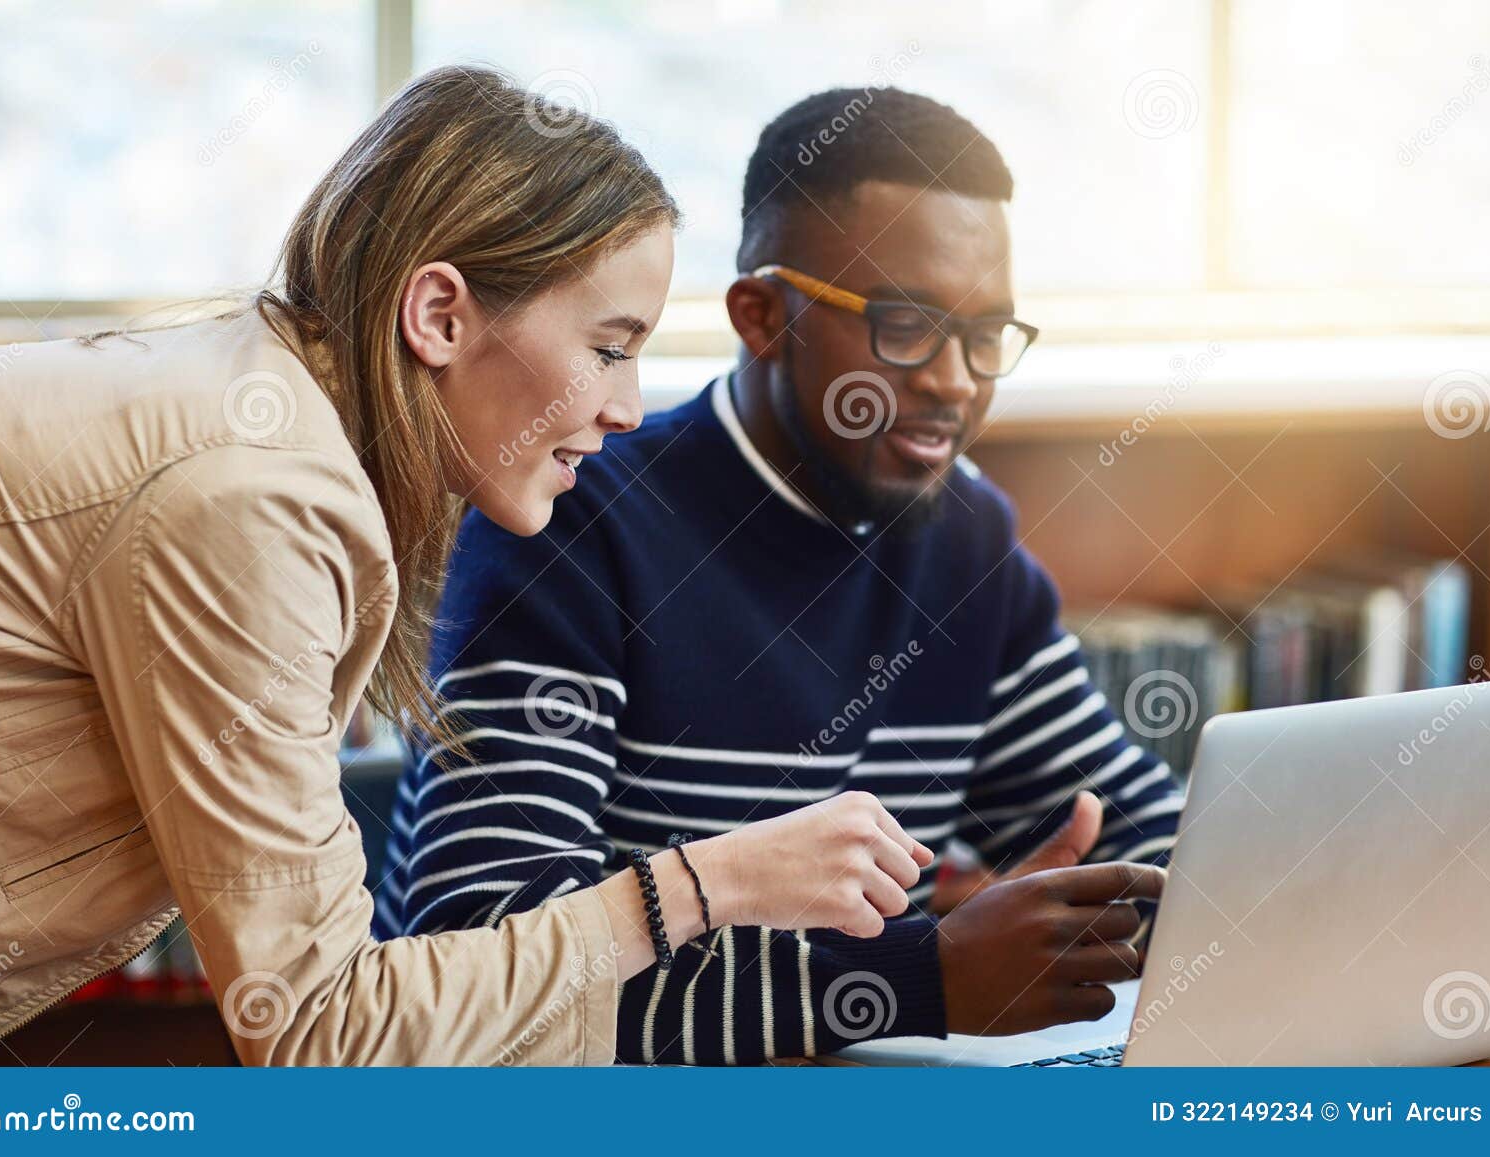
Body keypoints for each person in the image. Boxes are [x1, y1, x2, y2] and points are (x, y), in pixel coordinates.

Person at [0, 66, 928, 1068]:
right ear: (439, 315)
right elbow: (326, 1036)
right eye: (610, 346)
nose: (627, 407)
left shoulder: (263, 428)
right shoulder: (250, 498)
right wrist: (704, 887)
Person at [378, 87, 1178, 1064]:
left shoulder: (961, 536)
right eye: (904, 324)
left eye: (984, 336)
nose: (955, 380)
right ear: (761, 316)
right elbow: (487, 982)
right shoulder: (560, 520)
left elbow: (1146, 836)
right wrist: (919, 977)